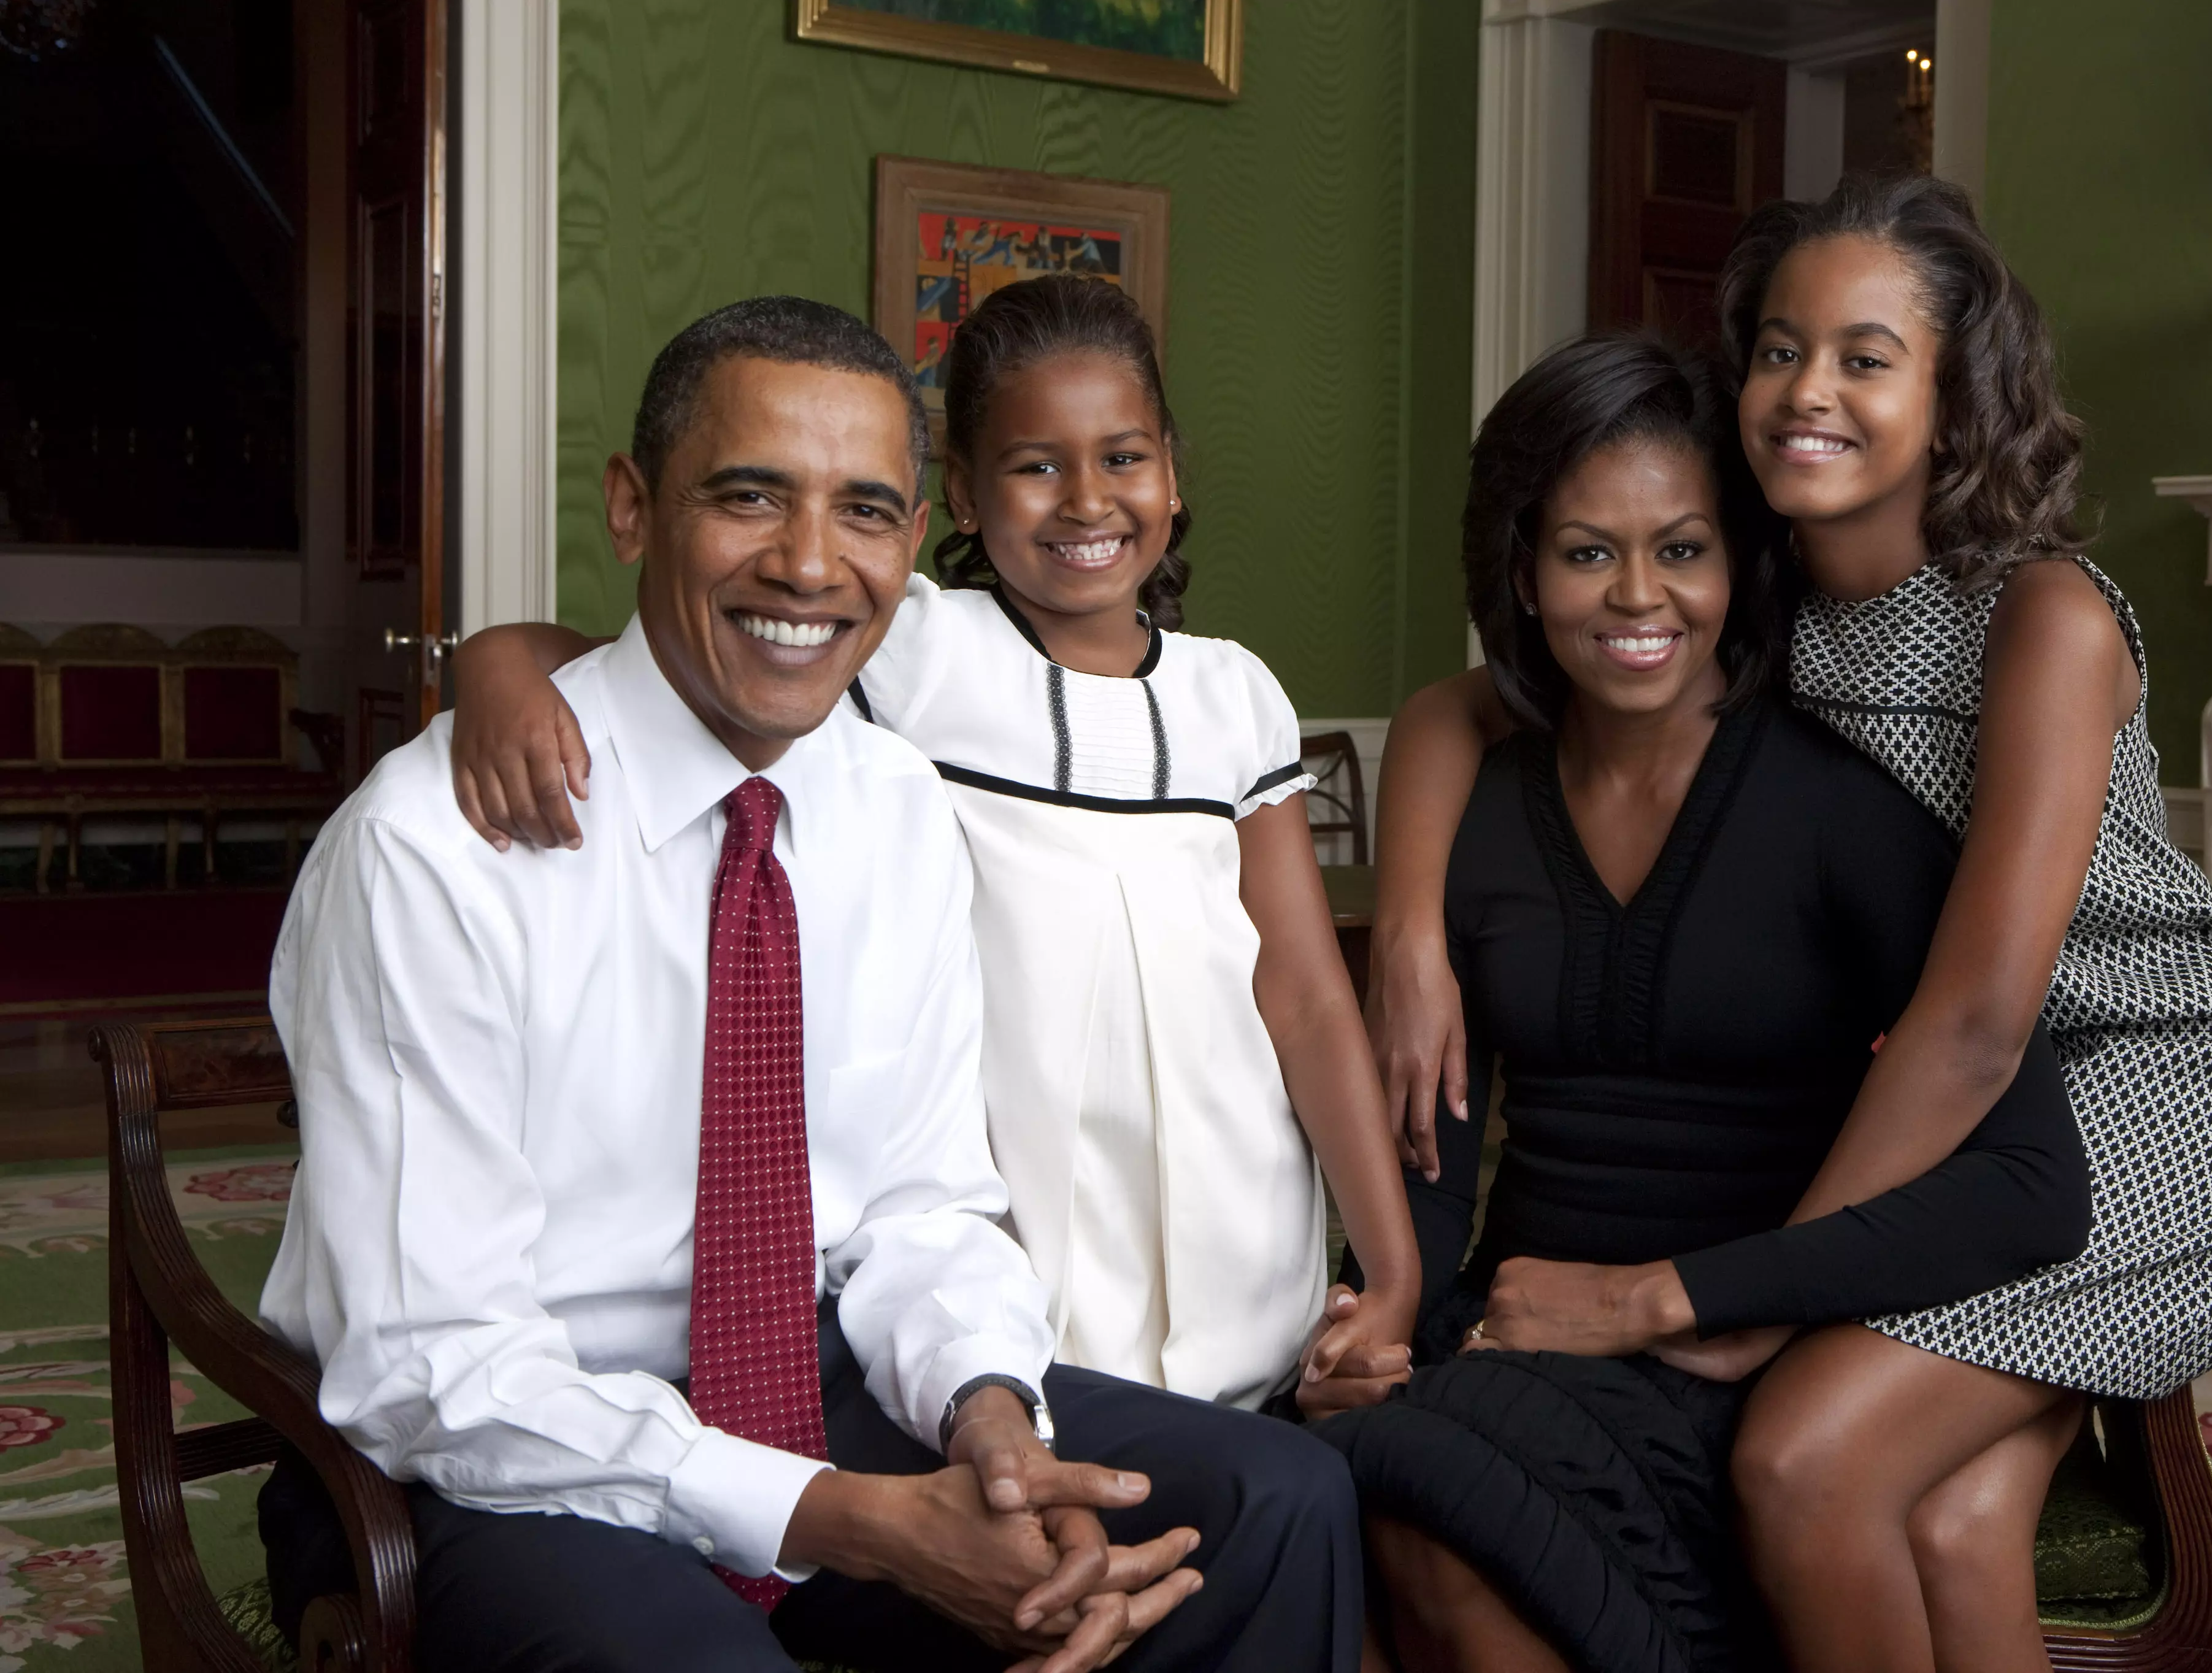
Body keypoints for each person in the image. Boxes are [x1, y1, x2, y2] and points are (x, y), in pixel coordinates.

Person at [257, 295, 1362, 1673]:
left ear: (912, 539)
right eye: (747, 497)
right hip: (485, 1455)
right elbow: (433, 1367)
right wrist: (863, 1524)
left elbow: (921, 1208)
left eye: (862, 512)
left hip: (808, 1383)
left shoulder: (892, 803)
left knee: (1277, 1503)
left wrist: (989, 1422)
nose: (807, 564)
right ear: (631, 508)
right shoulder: (434, 847)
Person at [1369, 175, 2212, 1671]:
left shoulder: (2040, 618)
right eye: (1775, 349)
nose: (1805, 391)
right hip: (1982, 1105)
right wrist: (1413, 932)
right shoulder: (1760, 591)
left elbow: (1973, 1024)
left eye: (1864, 358)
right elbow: (1458, 708)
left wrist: (1754, 1294)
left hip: (2151, 1088)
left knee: (1801, 1453)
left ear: (1954, 399)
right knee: (1953, 1525)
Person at [447, 275, 1419, 1420]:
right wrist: (494, 665)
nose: (1086, 501)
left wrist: (1392, 1272)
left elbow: (1304, 996)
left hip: (1240, 1210)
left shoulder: (1235, 696)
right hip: (1020, 1239)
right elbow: (665, 661)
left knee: (1262, 1499)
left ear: (1172, 472)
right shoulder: (915, 647)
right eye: (1035, 465)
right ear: (957, 492)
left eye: (1123, 458)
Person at [1311, 332, 2091, 1673]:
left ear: (1736, 568)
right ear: (1519, 571)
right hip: (1523, 1324)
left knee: (1429, 1505)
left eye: (1680, 549)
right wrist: (1372, 1312)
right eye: (1582, 552)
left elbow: (2027, 1183)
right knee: (1354, 1473)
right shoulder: (1484, 809)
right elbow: (1432, 1146)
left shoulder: (1840, 806)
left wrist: (1686, 1302)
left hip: (1742, 1348)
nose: (1635, 598)